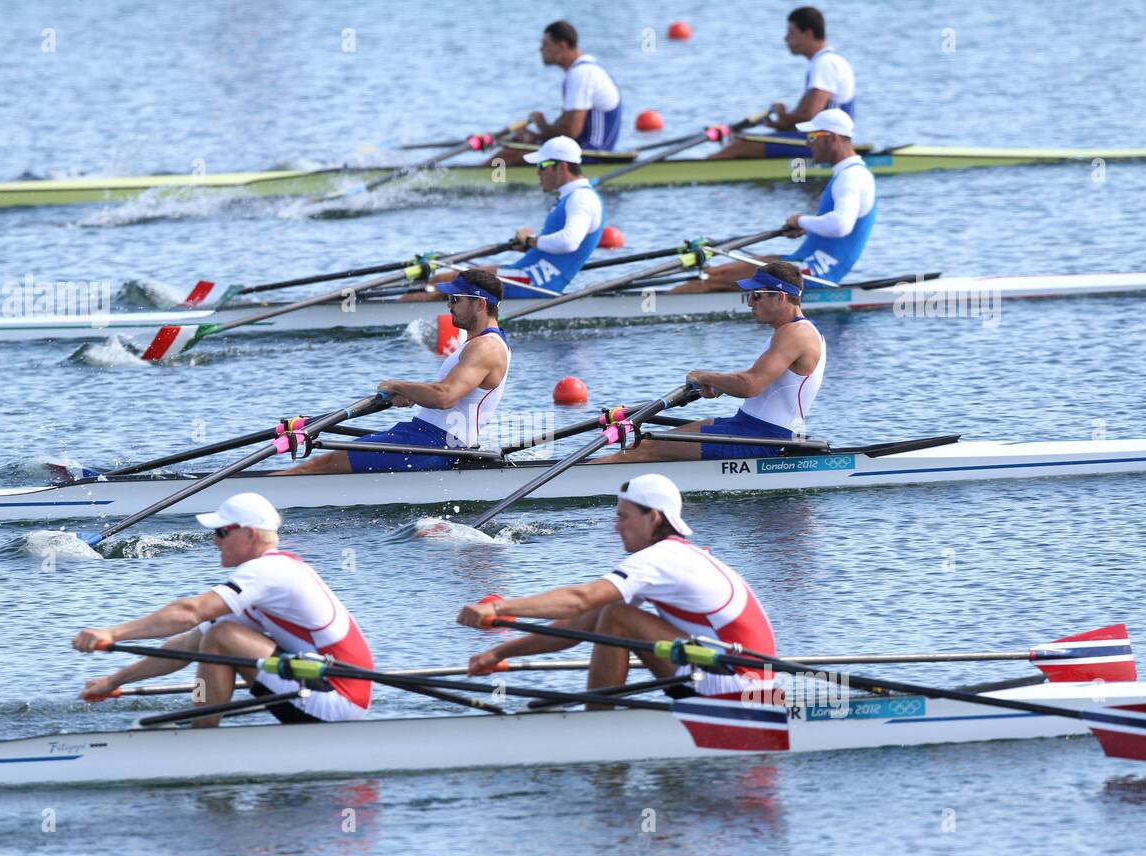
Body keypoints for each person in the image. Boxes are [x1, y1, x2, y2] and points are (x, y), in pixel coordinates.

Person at [458, 474, 776, 704]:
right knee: (610, 612)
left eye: (623, 517)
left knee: (617, 616)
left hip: (739, 687)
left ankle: (597, 723)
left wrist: (499, 608)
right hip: (736, 678)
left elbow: (578, 600)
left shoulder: (662, 559)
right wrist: (497, 653)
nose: (616, 527)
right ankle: (614, 716)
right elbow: (577, 624)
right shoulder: (673, 556)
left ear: (653, 518)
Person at [73, 493, 372, 727]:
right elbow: (187, 644)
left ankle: (201, 743)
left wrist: (112, 633)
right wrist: (114, 681)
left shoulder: (270, 571)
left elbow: (191, 611)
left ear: (250, 535)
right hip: (320, 687)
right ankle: (203, 737)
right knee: (213, 636)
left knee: (221, 635)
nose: (214, 541)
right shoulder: (266, 580)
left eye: (221, 532)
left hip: (337, 699)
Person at [290, 270, 510, 474]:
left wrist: (397, 385)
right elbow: (453, 393)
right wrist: (415, 394)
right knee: (327, 462)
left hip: (434, 442)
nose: (448, 305)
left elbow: (444, 396)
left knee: (322, 465)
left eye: (455, 299)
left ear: (480, 304)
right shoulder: (480, 343)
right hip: (424, 435)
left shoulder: (486, 347)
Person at [605, 262, 825, 461]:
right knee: (641, 444)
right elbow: (768, 381)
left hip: (764, 437)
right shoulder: (794, 330)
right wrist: (721, 386)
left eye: (756, 295)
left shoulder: (795, 334)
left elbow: (751, 385)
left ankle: (575, 483)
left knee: (644, 447)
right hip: (745, 425)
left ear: (780, 297)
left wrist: (705, 376)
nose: (749, 303)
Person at [675, 108, 875, 289]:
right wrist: (808, 227)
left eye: (812, 136)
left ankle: (654, 307)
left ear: (833, 138)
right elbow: (835, 228)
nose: (807, 143)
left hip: (814, 274)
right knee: (713, 273)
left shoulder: (851, 177)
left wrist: (800, 220)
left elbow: (840, 226)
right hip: (803, 263)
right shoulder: (849, 174)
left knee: (708, 281)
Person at [404, 137, 603, 301]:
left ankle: (393, 312)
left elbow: (569, 242)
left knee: (445, 282)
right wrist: (531, 245)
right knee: (441, 279)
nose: (538, 171)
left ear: (561, 167)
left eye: (542, 165)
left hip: (534, 283)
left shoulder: (581, 198)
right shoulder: (573, 197)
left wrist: (531, 240)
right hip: (527, 274)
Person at [710, 6, 855, 160]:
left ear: (808, 34)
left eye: (791, 33)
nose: (785, 38)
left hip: (823, 142)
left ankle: (697, 173)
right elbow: (803, 121)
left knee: (740, 146)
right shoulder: (823, 62)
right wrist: (775, 122)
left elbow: (809, 116)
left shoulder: (825, 63)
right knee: (743, 141)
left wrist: (782, 114)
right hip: (817, 137)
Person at [493, 20, 622, 167]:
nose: (540, 49)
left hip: (591, 154)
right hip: (581, 148)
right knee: (513, 147)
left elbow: (571, 132)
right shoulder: (583, 70)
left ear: (562, 46)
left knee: (505, 158)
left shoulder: (581, 74)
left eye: (546, 44)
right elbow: (567, 128)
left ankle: (477, 182)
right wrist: (535, 137)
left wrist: (542, 126)